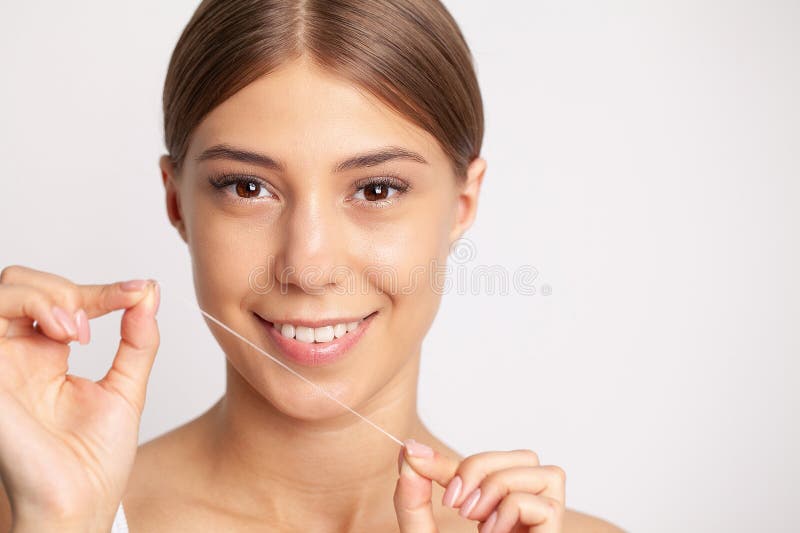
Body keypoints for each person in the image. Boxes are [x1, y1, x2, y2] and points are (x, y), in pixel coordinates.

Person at [0, 1, 625, 531]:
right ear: (177, 202)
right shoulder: (46, 513)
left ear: (463, 205)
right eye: (248, 188)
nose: (308, 265)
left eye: (376, 190)